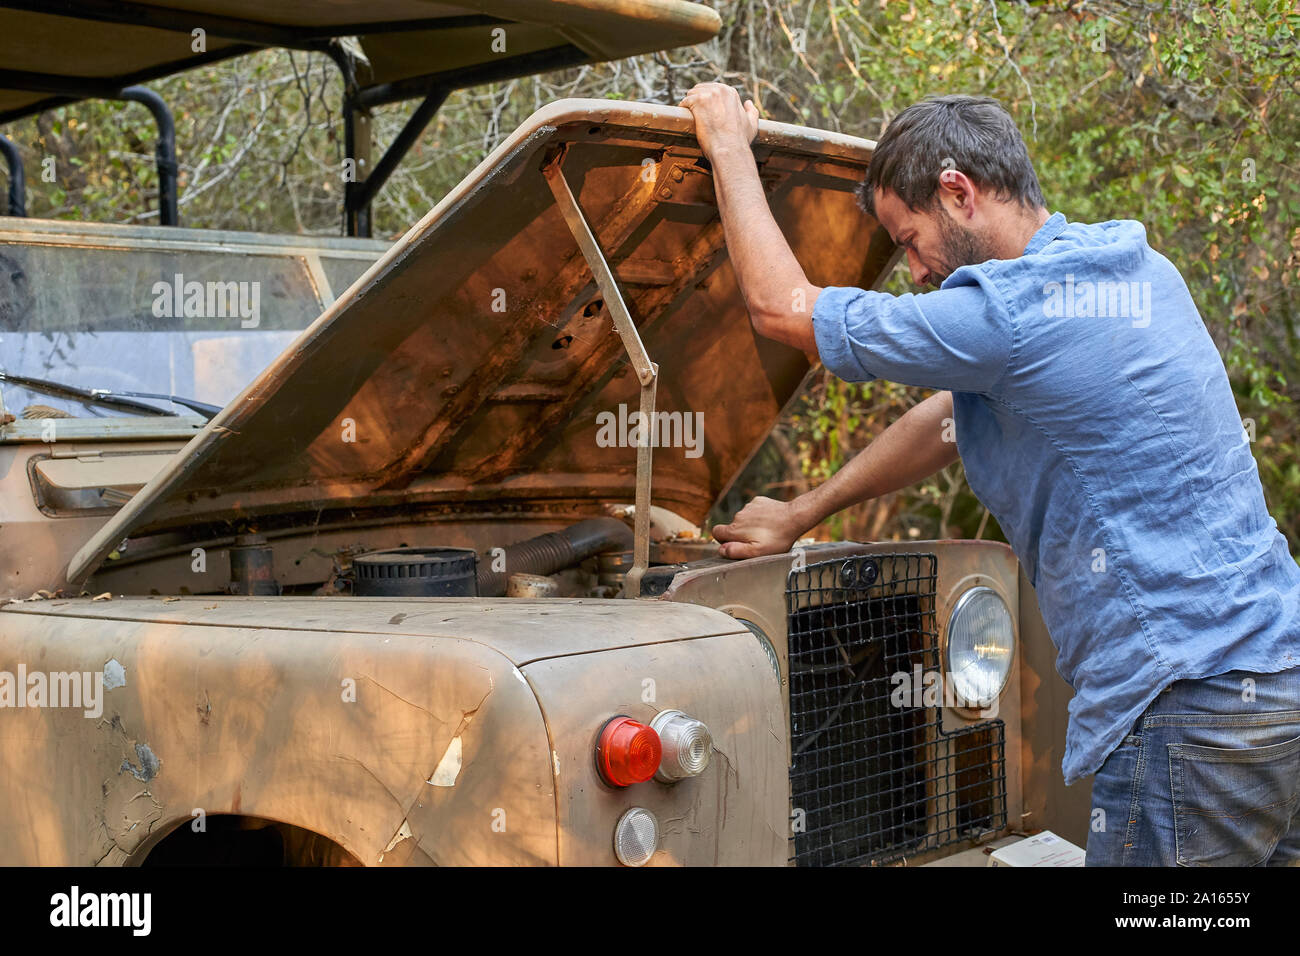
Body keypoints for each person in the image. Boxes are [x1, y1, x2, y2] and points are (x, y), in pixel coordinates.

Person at [680, 82, 1300, 866]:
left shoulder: (1011, 315)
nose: (910, 269)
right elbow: (944, 420)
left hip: (1189, 717)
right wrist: (806, 510)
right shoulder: (1133, 269)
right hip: (1280, 688)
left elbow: (780, 309)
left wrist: (728, 145)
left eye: (908, 240)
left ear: (957, 193)